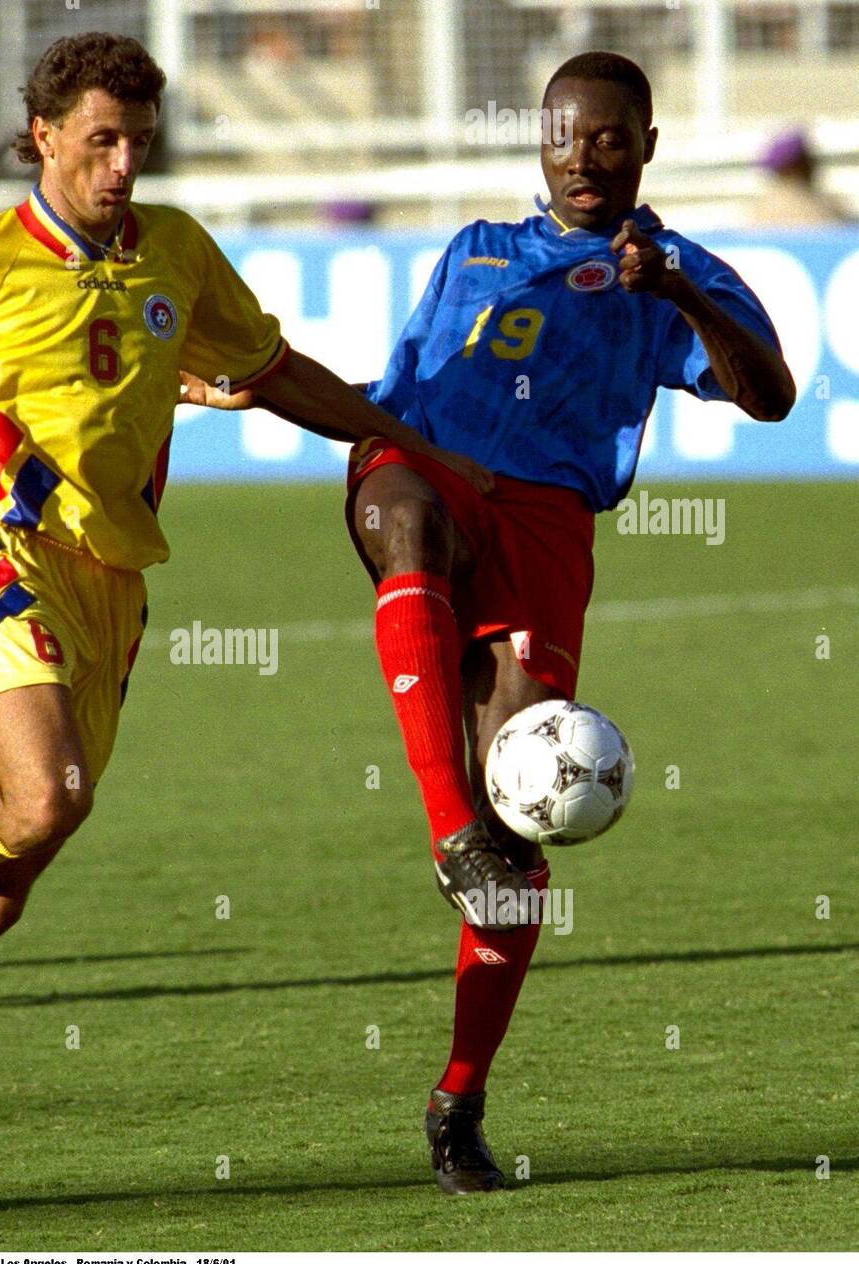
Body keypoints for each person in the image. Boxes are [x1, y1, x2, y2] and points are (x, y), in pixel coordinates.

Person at [0, 31, 490, 1230]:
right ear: (44, 137)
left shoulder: (172, 254)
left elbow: (271, 370)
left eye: (139, 144)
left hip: (114, 594)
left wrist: (403, 439)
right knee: (48, 796)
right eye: (101, 141)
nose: (121, 166)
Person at [184, 51, 795, 1195]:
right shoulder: (474, 249)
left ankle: (457, 1097)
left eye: (608, 138)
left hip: (546, 523)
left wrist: (675, 292)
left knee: (522, 831)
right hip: (427, 467)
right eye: (563, 137)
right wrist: (251, 387)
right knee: (404, 514)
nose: (581, 159)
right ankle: (442, 827)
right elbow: (405, 386)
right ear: (539, 143)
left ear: (646, 146)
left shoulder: (669, 273)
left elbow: (768, 395)